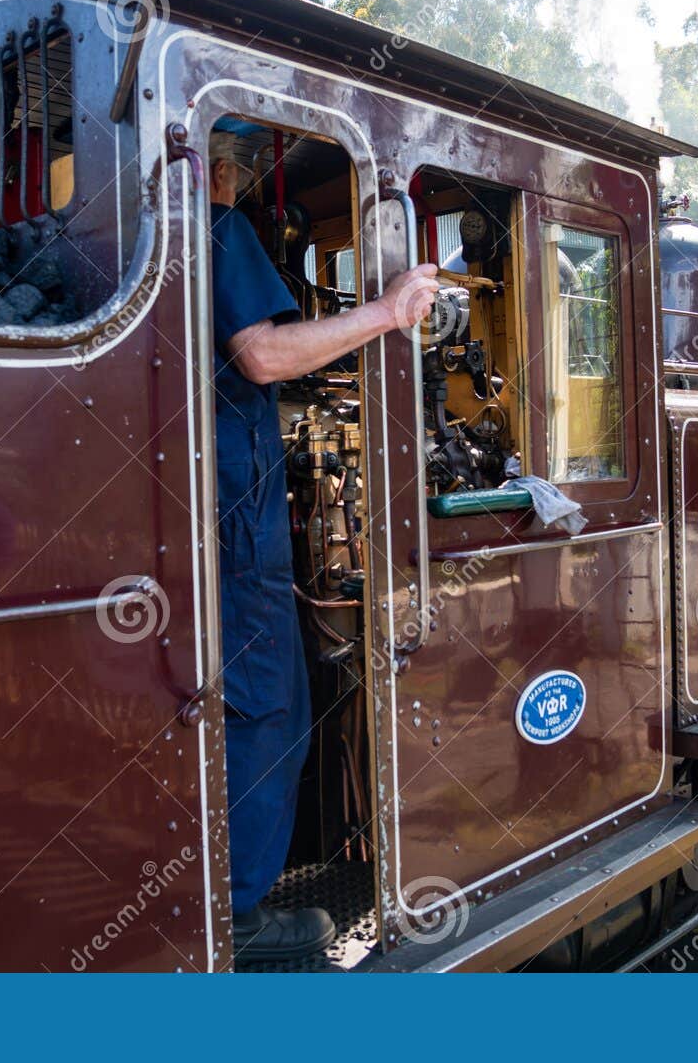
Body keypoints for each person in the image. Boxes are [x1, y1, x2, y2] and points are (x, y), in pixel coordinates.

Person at [207, 130, 438, 964]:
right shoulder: (214, 227)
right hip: (236, 526)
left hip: (225, 516)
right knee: (272, 711)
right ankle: (234, 917)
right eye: (234, 160)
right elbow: (264, 354)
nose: (236, 176)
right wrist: (385, 313)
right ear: (216, 162)